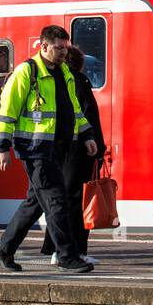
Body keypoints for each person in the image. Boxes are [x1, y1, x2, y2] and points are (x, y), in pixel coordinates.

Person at [0, 25, 98, 274]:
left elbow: (74, 108)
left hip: (58, 150)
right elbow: (7, 112)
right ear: (44, 46)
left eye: (65, 48)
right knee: (56, 202)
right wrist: (2, 146)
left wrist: (87, 134)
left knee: (35, 202)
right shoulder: (26, 73)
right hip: (35, 149)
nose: (63, 53)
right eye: (58, 48)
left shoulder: (65, 74)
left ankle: (5, 247)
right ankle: (66, 255)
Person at [40, 46, 104, 266]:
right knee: (76, 202)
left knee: (63, 200)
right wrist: (99, 147)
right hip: (79, 152)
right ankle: (72, 250)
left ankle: (56, 248)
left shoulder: (63, 82)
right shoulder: (78, 82)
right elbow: (89, 118)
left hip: (65, 150)